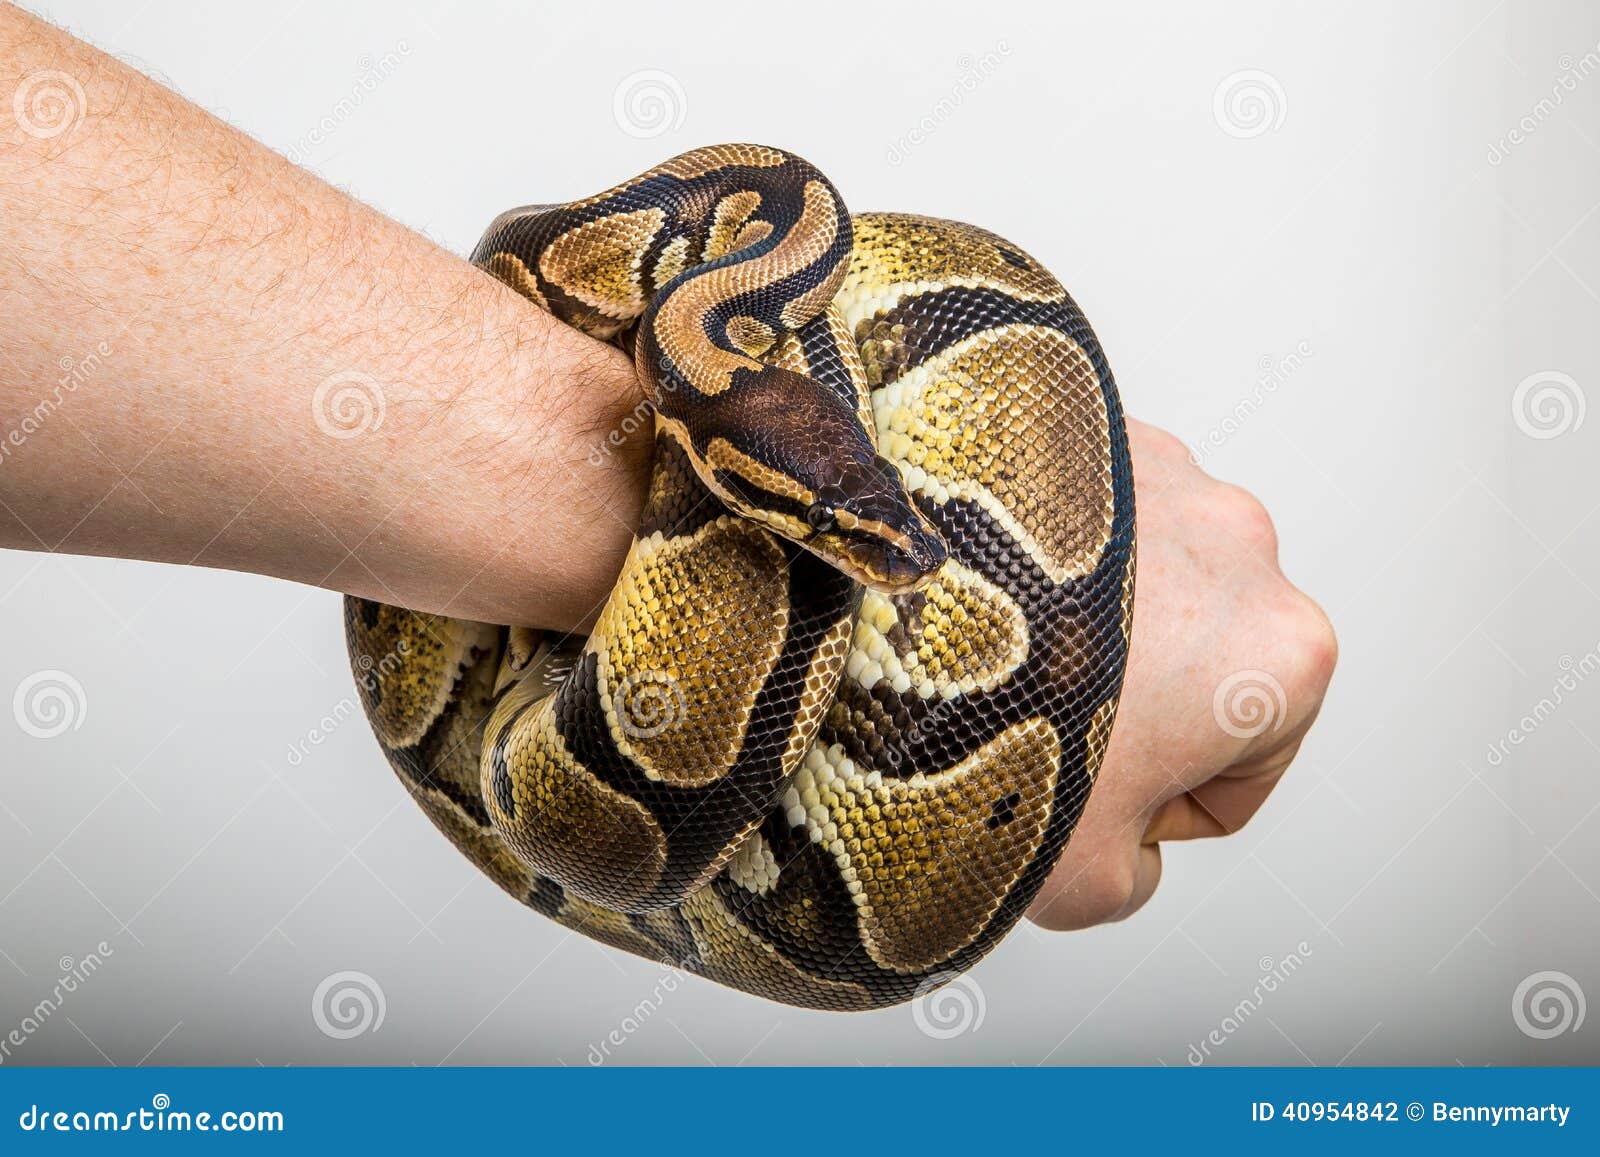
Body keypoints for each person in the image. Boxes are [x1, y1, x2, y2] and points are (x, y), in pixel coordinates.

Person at [0, 5, 1335, 932]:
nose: (903, 547)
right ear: (702, 445)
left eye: (866, 509)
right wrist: (1061, 623)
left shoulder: (734, 313)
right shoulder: (715, 362)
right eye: (841, 519)